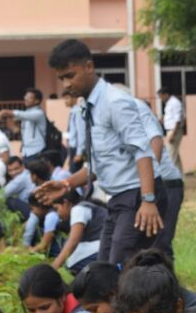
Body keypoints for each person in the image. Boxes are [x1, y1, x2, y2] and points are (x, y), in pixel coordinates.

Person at [36, 40, 162, 267]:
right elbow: (99, 165)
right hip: (116, 200)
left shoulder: (115, 102)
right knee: (103, 269)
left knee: (122, 267)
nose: (66, 84)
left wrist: (148, 200)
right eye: (61, 78)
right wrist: (66, 185)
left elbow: (143, 152)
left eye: (70, 75)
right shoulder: (87, 108)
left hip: (135, 195)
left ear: (89, 66)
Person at [132, 96, 185, 256]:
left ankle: (166, 279)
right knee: (146, 242)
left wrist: (147, 194)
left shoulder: (143, 120)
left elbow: (155, 151)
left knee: (161, 242)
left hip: (168, 185)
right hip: (149, 186)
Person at [50, 191, 104, 274]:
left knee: (70, 263)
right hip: (104, 247)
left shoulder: (78, 209)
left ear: (65, 203)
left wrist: (54, 266)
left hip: (101, 248)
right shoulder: (85, 206)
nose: (58, 213)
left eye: (57, 209)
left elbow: (73, 240)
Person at [0, 87, 47, 161]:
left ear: (37, 101)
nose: (25, 99)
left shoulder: (39, 113)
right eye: (25, 96)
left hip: (37, 151)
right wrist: (13, 127)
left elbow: (20, 114)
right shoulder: (27, 113)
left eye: (29, 97)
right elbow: (19, 126)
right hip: (26, 152)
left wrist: (4, 111)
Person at [22, 192, 60, 257]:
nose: (32, 212)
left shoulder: (51, 217)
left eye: (32, 209)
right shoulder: (47, 213)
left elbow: (44, 245)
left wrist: (27, 252)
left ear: (39, 207)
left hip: (57, 249)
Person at [158, 87, 184, 170]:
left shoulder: (174, 103)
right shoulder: (169, 103)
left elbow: (177, 119)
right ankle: (180, 176)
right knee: (174, 154)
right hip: (170, 130)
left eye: (161, 96)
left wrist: (173, 133)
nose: (161, 99)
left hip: (174, 131)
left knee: (171, 155)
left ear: (166, 94)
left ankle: (171, 178)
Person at [63, 91, 86, 174]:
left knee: (75, 174)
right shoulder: (73, 111)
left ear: (74, 98)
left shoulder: (78, 111)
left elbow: (81, 133)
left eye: (67, 98)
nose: (65, 101)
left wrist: (79, 153)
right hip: (72, 148)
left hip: (77, 149)